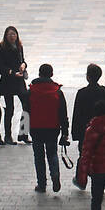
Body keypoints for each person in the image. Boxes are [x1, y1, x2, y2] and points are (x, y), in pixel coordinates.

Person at [28, 63, 69, 193]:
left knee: (39, 156)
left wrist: (23, 131)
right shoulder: (57, 91)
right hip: (53, 128)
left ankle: (42, 184)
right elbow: (63, 113)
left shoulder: (32, 91)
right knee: (52, 153)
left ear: (39, 74)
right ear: (51, 74)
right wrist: (65, 131)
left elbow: (26, 111)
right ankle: (55, 175)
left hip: (36, 128)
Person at [0, 26, 30, 144]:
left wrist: (24, 65)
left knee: (27, 104)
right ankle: (8, 135)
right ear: (6, 36)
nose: (12, 36)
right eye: (10, 34)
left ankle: (23, 133)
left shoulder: (19, 46)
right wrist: (11, 72)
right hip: (8, 82)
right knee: (9, 109)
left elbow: (23, 60)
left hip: (19, 80)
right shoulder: (2, 48)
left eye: (14, 34)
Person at [71, 64, 105, 158]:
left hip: (85, 132)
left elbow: (77, 114)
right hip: (102, 131)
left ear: (88, 77)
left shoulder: (82, 93)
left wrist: (75, 133)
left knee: (84, 157)